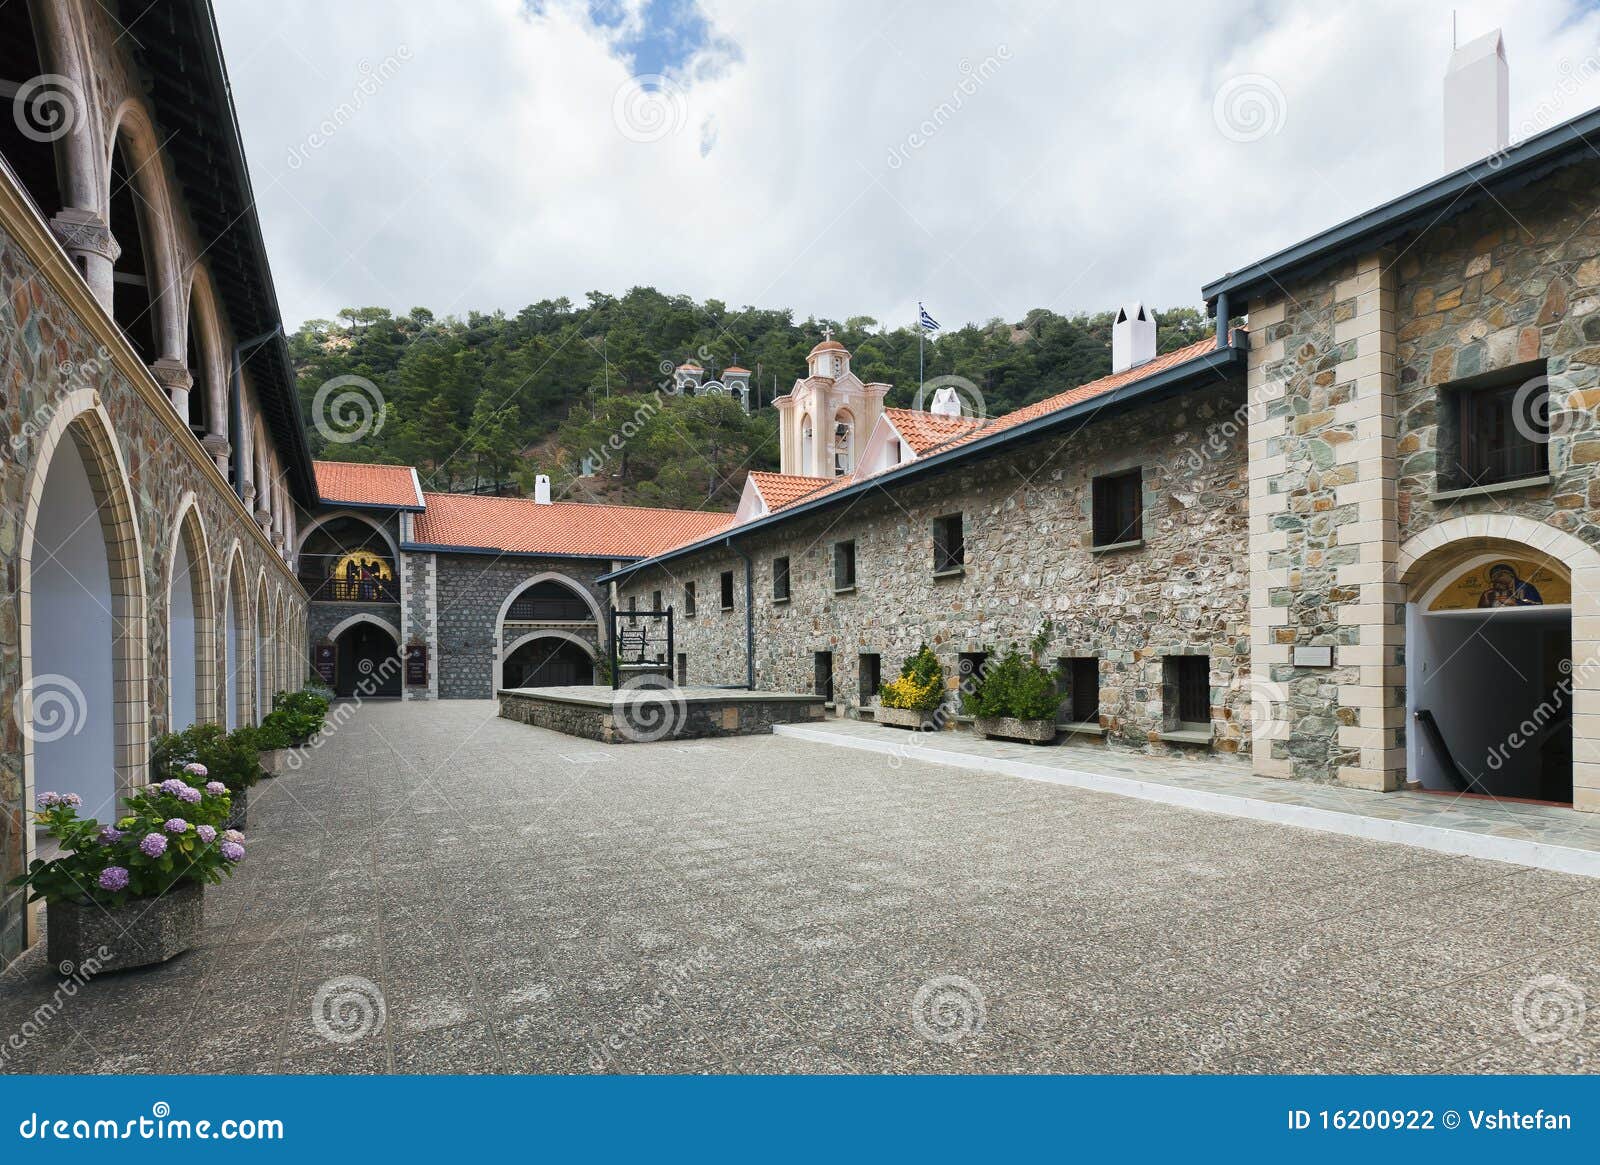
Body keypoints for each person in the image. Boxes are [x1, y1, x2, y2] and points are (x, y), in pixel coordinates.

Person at [1477, 562, 1543, 607]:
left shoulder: (1526, 587)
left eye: (1499, 575)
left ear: (1510, 574)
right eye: (1494, 578)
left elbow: (1538, 604)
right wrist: (1486, 598)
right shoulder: (1493, 591)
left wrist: (1515, 603)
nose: (1496, 580)